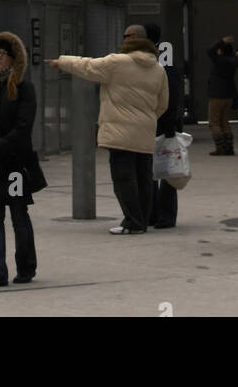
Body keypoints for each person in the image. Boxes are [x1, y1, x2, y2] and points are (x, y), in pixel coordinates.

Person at [50, 23, 168, 234]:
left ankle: (133, 222)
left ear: (132, 38)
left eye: (125, 35)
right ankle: (142, 220)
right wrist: (146, 119)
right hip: (144, 132)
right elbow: (163, 104)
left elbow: (88, 66)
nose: (122, 39)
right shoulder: (158, 69)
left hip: (120, 133)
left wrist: (62, 61)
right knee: (143, 177)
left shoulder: (118, 62)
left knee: (123, 179)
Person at [0, 31, 44, 288]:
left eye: (3, 55)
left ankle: (26, 267)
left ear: (14, 59)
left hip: (15, 165)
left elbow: (23, 127)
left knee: (18, 215)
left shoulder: (25, 90)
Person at [146, 23, 182, 229]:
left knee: (160, 170)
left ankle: (159, 214)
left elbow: (172, 91)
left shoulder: (158, 61)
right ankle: (160, 214)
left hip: (157, 122)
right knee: (161, 170)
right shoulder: (164, 59)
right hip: (160, 122)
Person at [206, 35, 238, 155]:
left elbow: (210, 50)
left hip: (216, 94)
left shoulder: (219, 60)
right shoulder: (233, 61)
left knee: (214, 122)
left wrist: (221, 41)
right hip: (228, 95)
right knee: (224, 121)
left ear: (221, 50)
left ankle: (220, 148)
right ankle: (229, 148)